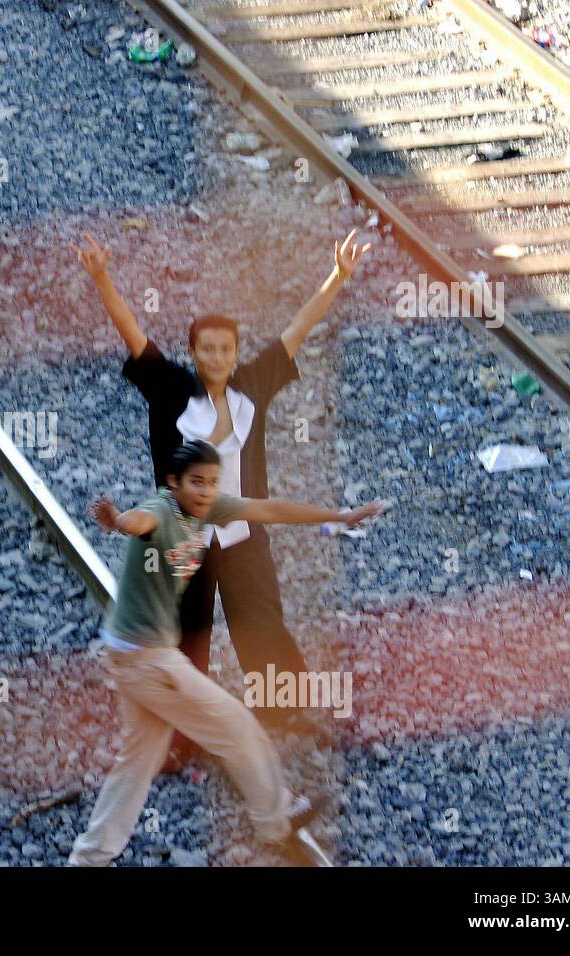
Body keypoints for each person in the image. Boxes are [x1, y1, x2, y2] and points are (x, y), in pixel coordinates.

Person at [73, 229, 371, 755]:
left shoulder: (253, 385)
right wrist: (101, 277)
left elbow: (298, 329)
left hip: (243, 534)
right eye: (206, 349)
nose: (216, 357)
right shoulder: (171, 389)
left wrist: (339, 276)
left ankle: (280, 716)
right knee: (189, 637)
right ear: (192, 352)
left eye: (225, 349)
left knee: (262, 626)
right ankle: (184, 738)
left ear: (235, 354)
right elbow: (131, 332)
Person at [68, 441, 383, 866]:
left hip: (131, 656)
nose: (205, 491)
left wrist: (340, 516)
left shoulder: (208, 508)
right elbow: (137, 522)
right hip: (149, 661)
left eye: (213, 483)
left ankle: (86, 860)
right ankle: (276, 822)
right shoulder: (161, 512)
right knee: (238, 727)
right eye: (196, 482)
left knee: (137, 763)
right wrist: (115, 521)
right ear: (173, 483)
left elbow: (269, 510)